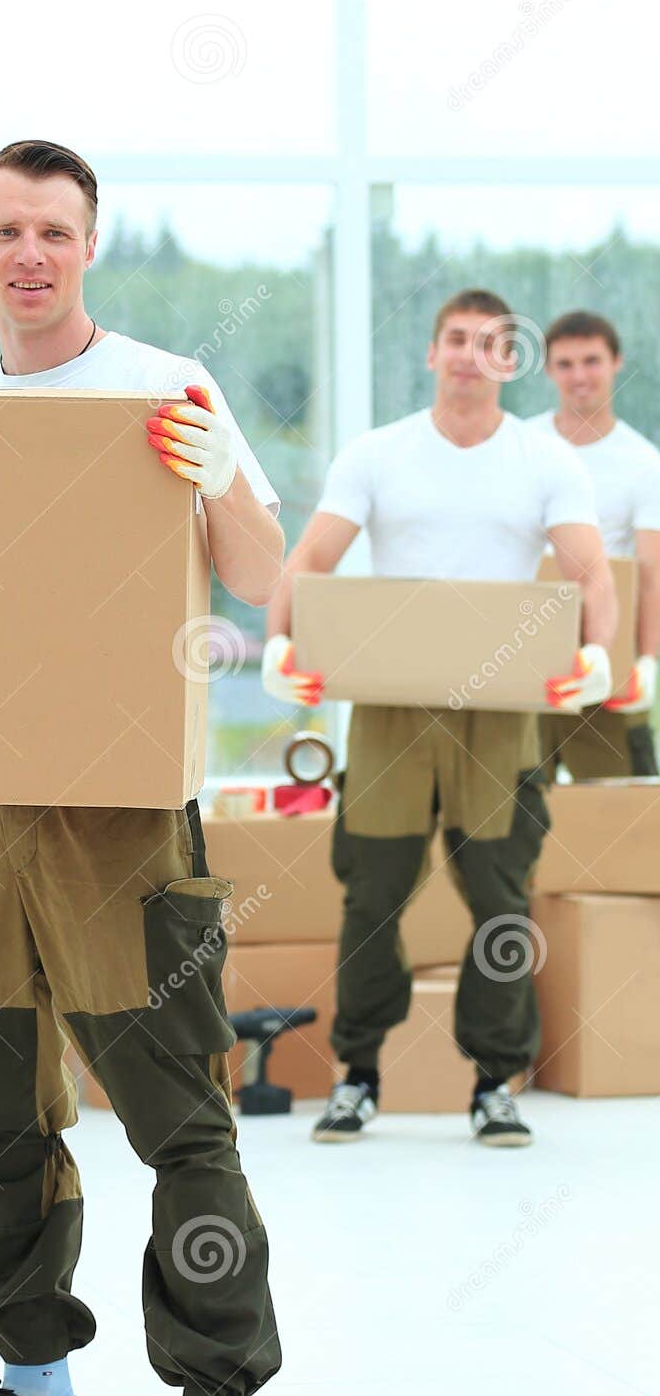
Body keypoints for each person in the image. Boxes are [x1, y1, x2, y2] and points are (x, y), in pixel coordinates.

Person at [0, 139, 285, 1396]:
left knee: (177, 1111)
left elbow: (262, 578)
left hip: (121, 818)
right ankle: (32, 1385)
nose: (30, 252)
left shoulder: (163, 387)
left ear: (89, 243)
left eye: (54, 228)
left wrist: (217, 472)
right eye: (7, 230)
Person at [263, 289, 616, 1150]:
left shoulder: (543, 460)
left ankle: (495, 1084)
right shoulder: (379, 453)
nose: (469, 354)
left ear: (510, 362)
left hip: (500, 712)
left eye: (490, 343)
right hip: (390, 708)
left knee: (500, 900)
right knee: (371, 897)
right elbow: (311, 557)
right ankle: (358, 1076)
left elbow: (591, 573)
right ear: (432, 354)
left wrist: (600, 654)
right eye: (456, 339)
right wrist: (278, 642)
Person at [530, 310, 660, 778]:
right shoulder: (523, 446)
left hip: (609, 661)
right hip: (524, 654)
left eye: (591, 361)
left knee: (622, 803)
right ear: (549, 371)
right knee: (513, 801)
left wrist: (647, 660)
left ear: (616, 363)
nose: (579, 376)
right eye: (565, 364)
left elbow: (651, 574)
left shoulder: (643, 463)